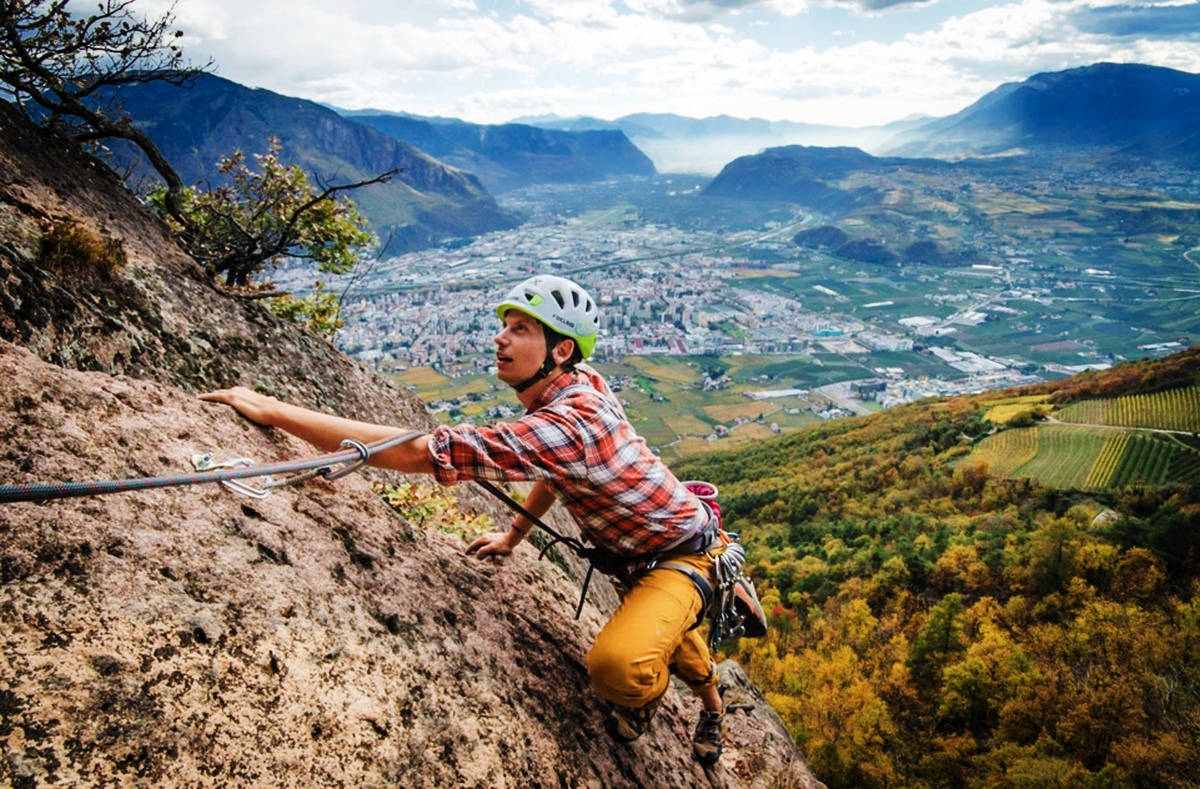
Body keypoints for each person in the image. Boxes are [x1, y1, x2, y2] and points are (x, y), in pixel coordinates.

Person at [200, 274, 727, 765]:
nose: (500, 339)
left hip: (685, 555)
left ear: (560, 350)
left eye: (520, 329)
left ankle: (670, 703)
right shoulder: (573, 386)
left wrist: (274, 410)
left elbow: (421, 453)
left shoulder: (573, 420)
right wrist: (514, 536)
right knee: (671, 630)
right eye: (505, 325)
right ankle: (713, 705)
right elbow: (557, 471)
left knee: (618, 666)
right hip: (646, 553)